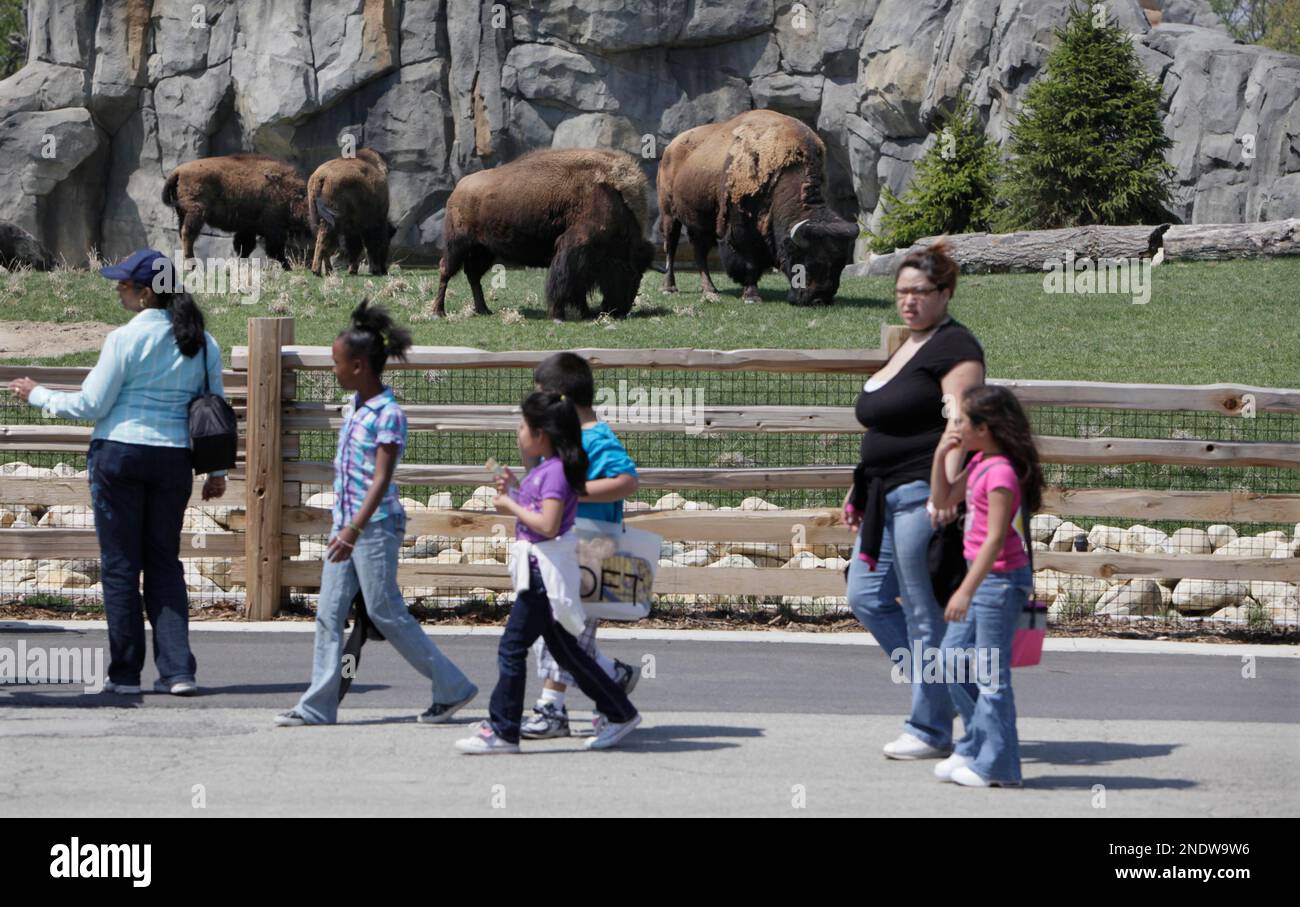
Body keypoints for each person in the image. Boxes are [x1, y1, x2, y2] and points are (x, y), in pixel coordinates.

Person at [8, 249, 226, 696]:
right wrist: (217, 470)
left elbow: (90, 404)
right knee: (164, 562)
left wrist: (38, 395)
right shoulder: (203, 342)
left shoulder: (124, 340)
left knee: (121, 567)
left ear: (145, 293)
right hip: (173, 461)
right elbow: (214, 409)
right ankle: (178, 671)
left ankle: (125, 674)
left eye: (124, 284)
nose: (117, 289)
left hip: (120, 456)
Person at [275, 300, 477, 726]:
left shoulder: (389, 413)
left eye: (337, 362)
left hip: (373, 529)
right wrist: (343, 527)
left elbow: (381, 479)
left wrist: (353, 529)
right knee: (329, 613)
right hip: (346, 527)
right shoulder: (355, 406)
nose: (333, 369)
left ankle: (452, 685)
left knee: (385, 611)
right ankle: (317, 706)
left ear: (360, 365)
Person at [844, 239, 985, 760]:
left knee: (926, 618)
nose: (909, 301)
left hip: (923, 497)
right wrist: (860, 485)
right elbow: (884, 423)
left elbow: (961, 425)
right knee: (866, 597)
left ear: (945, 293)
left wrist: (947, 492)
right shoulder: (908, 343)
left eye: (921, 292)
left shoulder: (956, 348)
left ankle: (940, 727)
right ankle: (947, 703)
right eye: (902, 292)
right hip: (883, 497)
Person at [456, 391, 641, 753]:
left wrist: (510, 503)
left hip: (545, 575)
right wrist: (513, 489)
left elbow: (548, 523)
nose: (519, 431)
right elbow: (539, 507)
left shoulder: (555, 473)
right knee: (568, 652)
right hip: (541, 570)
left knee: (512, 647)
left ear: (542, 434)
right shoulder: (548, 470)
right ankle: (619, 712)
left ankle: (503, 730)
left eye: (524, 425)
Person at [506, 352, 640, 739]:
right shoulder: (563, 440)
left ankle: (552, 708)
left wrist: (572, 493)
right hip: (562, 546)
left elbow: (627, 480)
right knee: (563, 630)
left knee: (565, 629)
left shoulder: (596, 437)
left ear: (559, 399)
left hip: (592, 547)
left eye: (541, 399)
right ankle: (610, 677)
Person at [929, 385, 1042, 787]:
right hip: (982, 579)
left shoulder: (1002, 473)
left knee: (992, 676)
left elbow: (995, 539)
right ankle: (976, 745)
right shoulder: (979, 462)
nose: (956, 426)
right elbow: (943, 499)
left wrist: (964, 591)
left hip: (998, 582)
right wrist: (943, 454)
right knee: (949, 660)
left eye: (963, 421)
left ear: (986, 427)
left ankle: (1000, 767)